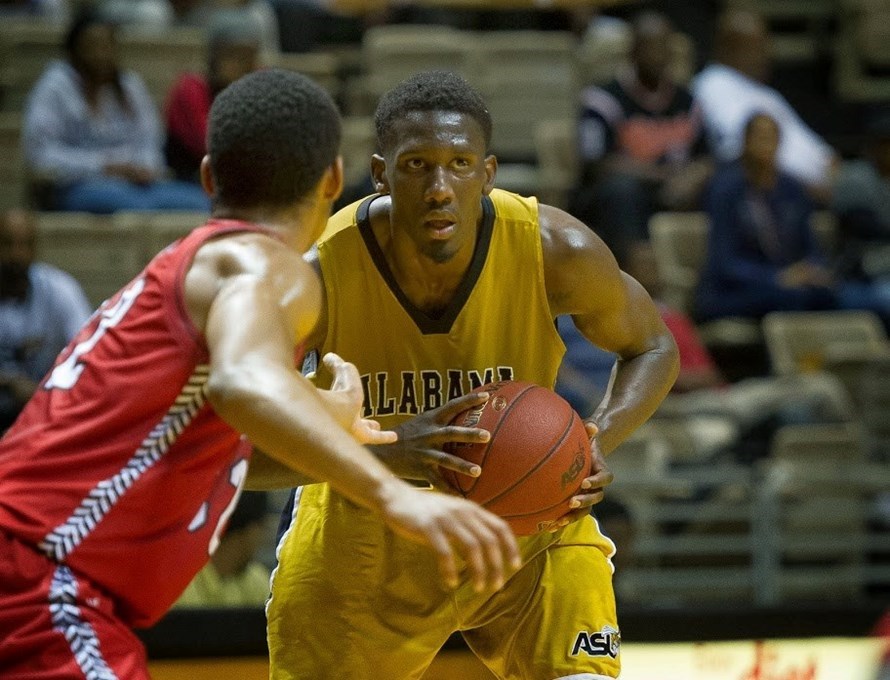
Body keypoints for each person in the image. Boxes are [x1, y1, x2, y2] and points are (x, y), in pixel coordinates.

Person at [0, 68, 520, 679]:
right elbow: (241, 384)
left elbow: (233, 402)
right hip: (43, 580)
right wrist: (396, 497)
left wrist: (326, 416)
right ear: (334, 178)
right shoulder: (264, 263)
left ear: (208, 178)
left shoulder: (198, 271)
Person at [262, 70, 680, 680]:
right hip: (365, 541)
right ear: (380, 173)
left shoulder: (554, 250)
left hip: (527, 533)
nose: (439, 188)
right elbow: (232, 454)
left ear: (488, 174)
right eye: (416, 166)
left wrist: (593, 441)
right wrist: (388, 453)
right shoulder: (315, 275)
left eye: (460, 164)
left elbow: (653, 344)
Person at [695, 112, 890, 326]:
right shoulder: (726, 190)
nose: (766, 144)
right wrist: (776, 278)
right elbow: (725, 263)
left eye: (772, 137)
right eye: (759, 137)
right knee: (794, 299)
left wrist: (813, 270)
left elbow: (811, 246)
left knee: (838, 296)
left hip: (794, 285)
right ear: (745, 141)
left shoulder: (792, 189)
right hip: (735, 291)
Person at [22, 9, 211, 213]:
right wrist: (103, 166)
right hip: (79, 185)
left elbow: (150, 141)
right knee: (131, 205)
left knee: (201, 202)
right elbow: (42, 156)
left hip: (139, 185)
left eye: (107, 46)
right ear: (73, 50)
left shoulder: (129, 86)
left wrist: (143, 167)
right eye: (92, 46)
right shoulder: (54, 89)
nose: (101, 54)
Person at [571, 10, 711, 266]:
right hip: (622, 198)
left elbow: (708, 158)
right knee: (621, 190)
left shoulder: (688, 101)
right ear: (632, 52)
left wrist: (693, 177)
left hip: (677, 193)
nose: (658, 56)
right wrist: (661, 176)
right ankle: (639, 277)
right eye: (650, 47)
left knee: (725, 186)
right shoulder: (602, 99)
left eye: (663, 47)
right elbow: (596, 163)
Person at [692, 6, 837, 199]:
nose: (766, 54)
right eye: (756, 47)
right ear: (728, 48)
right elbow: (744, 151)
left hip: (817, 189)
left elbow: (821, 152)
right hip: (778, 192)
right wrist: (803, 185)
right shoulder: (715, 83)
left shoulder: (767, 94)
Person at [0, 209, 91, 432]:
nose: (16, 256)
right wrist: (10, 383)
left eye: (25, 245)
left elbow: (90, 357)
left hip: (44, 414)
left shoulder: (60, 290)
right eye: (7, 244)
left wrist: (43, 393)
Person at [164, 10, 262, 183]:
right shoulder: (190, 88)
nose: (247, 65)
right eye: (236, 56)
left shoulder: (260, 80)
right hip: (192, 180)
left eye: (251, 57)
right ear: (215, 55)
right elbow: (211, 145)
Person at [174, 491, 272, 607]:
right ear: (251, 531)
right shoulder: (177, 586)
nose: (264, 537)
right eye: (264, 527)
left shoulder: (257, 580)